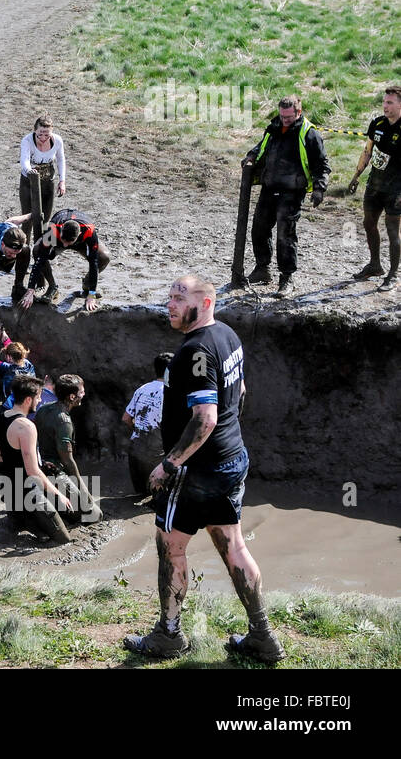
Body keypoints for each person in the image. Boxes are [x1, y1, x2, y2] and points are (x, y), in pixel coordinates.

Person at [124, 275, 285, 664]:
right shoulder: (228, 336)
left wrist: (169, 464)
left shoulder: (194, 351)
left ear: (207, 302)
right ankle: (263, 636)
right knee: (234, 546)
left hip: (195, 472)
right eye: (170, 296)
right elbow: (240, 391)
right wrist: (225, 439)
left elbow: (205, 418)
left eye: (180, 297)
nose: (171, 304)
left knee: (170, 544)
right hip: (231, 460)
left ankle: (169, 635)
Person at [242, 95, 329, 297]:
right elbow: (262, 146)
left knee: (285, 235)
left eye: (289, 117)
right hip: (270, 186)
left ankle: (286, 278)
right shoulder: (274, 127)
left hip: (292, 191)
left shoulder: (309, 133)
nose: (285, 120)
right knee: (259, 229)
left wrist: (319, 188)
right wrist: (251, 156)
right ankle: (262, 269)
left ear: (299, 112)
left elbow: (322, 164)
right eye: (282, 116)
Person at [0, 374, 77, 540]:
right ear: (27, 400)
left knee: (24, 532)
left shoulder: (1, 417)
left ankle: (30, 523)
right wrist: (58, 494)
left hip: (11, 494)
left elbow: (1, 457)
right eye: (38, 397)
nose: (39, 401)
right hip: (30, 495)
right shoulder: (26, 427)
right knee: (63, 541)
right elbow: (32, 471)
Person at [346, 86, 401, 291]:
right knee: (368, 223)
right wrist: (356, 175)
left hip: (396, 189)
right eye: (384, 102)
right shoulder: (377, 123)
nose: (385, 106)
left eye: (390, 103)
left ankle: (393, 274)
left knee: (393, 231)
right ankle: (375, 265)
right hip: (375, 184)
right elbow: (367, 151)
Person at [34, 374, 100, 522]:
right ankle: (57, 508)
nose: (83, 394)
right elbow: (68, 460)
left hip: (40, 467)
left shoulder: (43, 409)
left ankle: (53, 501)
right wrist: (84, 491)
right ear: (72, 396)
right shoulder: (64, 421)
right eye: (81, 392)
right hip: (55, 472)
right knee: (95, 515)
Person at [19, 208, 112, 312]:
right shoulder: (52, 228)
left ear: (80, 234)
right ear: (62, 228)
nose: (65, 245)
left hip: (80, 243)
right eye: (64, 241)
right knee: (37, 250)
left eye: (69, 243)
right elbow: (40, 259)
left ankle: (87, 284)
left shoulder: (89, 230)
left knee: (104, 257)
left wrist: (92, 293)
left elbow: (93, 262)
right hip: (56, 240)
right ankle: (53, 286)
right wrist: (30, 289)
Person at [124, 351, 173, 490]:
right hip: (157, 453)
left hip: (135, 449)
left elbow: (126, 418)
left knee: (139, 494)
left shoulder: (142, 389)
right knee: (158, 496)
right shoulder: (171, 392)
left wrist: (140, 428)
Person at [19, 116, 67, 239]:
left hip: (47, 182)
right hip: (29, 182)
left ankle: (43, 249)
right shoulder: (27, 140)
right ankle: (24, 248)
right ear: (35, 131)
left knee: (46, 219)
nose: (44, 138)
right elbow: (24, 160)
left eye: (47, 135)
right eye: (40, 134)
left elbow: (61, 160)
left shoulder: (57, 140)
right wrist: (31, 171)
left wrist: (62, 181)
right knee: (28, 217)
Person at [0, 326, 35, 408]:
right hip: (28, 403)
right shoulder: (28, 364)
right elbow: (14, 350)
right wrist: (3, 331)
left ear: (9, 357)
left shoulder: (7, 369)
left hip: (12, 407)